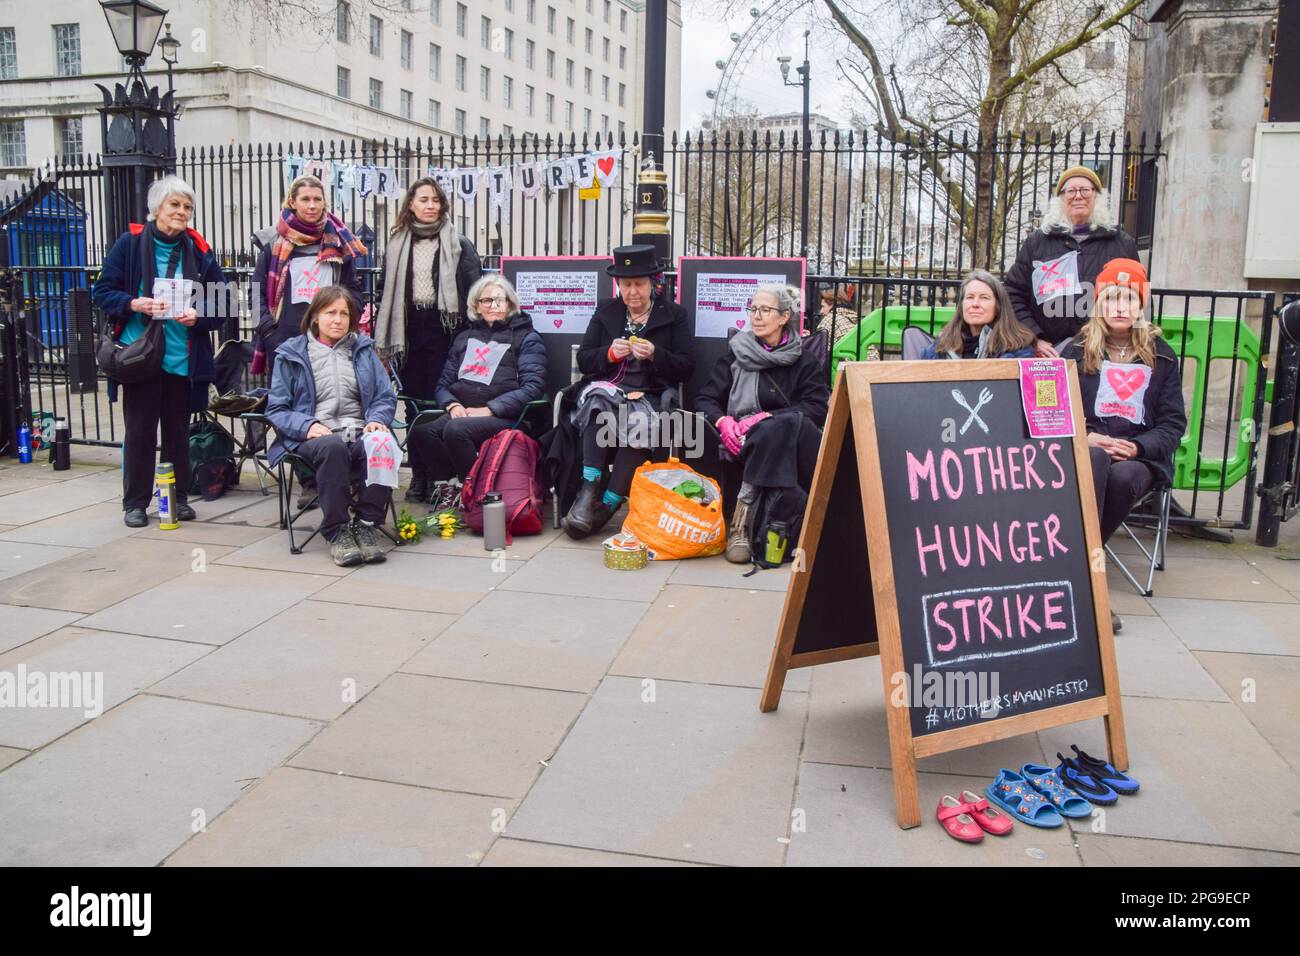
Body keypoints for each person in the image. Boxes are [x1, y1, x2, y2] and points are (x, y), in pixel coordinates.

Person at [92, 174, 230, 528]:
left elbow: (224, 301)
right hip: (141, 357)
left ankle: (177, 497)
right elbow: (103, 292)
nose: (182, 212)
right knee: (139, 432)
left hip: (181, 359)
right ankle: (135, 503)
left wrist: (198, 316)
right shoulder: (130, 244)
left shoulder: (198, 250)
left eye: (187, 207)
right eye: (175, 205)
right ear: (156, 208)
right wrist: (134, 303)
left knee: (177, 434)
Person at [1060, 259, 1185, 633]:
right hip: (1088, 447)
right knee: (1097, 457)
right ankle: (1090, 585)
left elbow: (1173, 424)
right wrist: (1086, 434)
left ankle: (1075, 572)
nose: (1119, 307)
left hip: (1139, 457)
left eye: (1128, 299)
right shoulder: (1076, 350)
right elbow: (1055, 411)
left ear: (1140, 305)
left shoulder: (1161, 355)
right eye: (1112, 298)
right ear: (1099, 303)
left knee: (1123, 475)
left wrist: (1138, 448)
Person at [560, 244, 695, 539]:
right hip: (608, 390)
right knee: (598, 400)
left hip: (649, 394)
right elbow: (585, 358)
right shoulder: (606, 310)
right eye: (626, 285)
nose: (632, 292)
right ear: (618, 285)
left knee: (641, 423)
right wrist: (608, 354)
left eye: (638, 284)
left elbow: (686, 367)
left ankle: (607, 504)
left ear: (653, 284)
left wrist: (656, 354)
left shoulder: (674, 314)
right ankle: (588, 489)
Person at [266, 285, 398, 568]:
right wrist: (306, 425)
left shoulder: (364, 351)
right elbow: (276, 409)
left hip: (360, 430)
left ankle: (366, 524)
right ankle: (338, 531)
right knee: (333, 446)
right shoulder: (291, 354)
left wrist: (376, 420)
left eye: (344, 314)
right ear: (315, 316)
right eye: (330, 313)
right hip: (314, 437)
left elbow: (385, 396)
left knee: (384, 444)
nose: (338, 320)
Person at [695, 285, 829, 564]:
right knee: (767, 429)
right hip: (746, 439)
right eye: (753, 309)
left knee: (776, 424)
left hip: (796, 444)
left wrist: (765, 417)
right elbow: (706, 398)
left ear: (783, 317)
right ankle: (762, 525)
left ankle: (741, 522)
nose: (756, 316)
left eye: (765, 310)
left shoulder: (803, 360)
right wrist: (723, 421)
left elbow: (817, 408)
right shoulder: (736, 353)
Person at [371, 176, 484, 502]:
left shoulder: (458, 244)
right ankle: (417, 476)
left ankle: (439, 479)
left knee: (440, 406)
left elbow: (474, 293)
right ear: (410, 204)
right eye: (424, 200)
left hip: (445, 331)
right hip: (406, 333)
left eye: (436, 200)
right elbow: (384, 294)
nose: (430, 205)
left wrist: (467, 339)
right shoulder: (397, 243)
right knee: (413, 406)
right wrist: (383, 340)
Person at [407, 275, 546, 510]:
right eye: (487, 300)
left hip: (506, 416)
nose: (493, 306)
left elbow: (533, 387)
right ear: (476, 306)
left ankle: (476, 491)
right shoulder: (464, 338)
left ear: (510, 304)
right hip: (463, 411)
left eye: (500, 300)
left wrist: (490, 409)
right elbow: (442, 384)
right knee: (421, 433)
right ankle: (449, 487)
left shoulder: (527, 338)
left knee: (455, 430)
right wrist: (452, 405)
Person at [1004, 165, 1141, 357]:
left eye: (1085, 190)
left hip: (1104, 351)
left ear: (1097, 197)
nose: (1078, 196)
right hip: (1048, 353)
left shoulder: (1122, 243)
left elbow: (1139, 298)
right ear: (1060, 198)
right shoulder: (1037, 242)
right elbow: (1012, 294)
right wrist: (1034, 338)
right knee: (1048, 389)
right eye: (1071, 191)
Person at [251, 175, 366, 381]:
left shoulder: (339, 243)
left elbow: (353, 290)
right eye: (305, 199)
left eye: (317, 199)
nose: (312, 206)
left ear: (324, 203)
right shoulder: (271, 242)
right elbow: (253, 294)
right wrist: (269, 333)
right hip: (283, 340)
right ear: (293, 202)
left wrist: (346, 322)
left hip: (330, 342)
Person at [919, 271, 1037, 360]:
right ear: (961, 305)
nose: (975, 304)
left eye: (984, 298)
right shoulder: (942, 344)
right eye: (970, 297)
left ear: (998, 306)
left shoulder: (1019, 348)